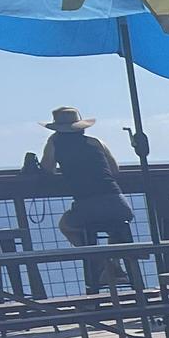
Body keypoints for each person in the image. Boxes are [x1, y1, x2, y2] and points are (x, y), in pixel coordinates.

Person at [37, 106, 136, 289]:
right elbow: (115, 170)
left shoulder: (55, 143)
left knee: (66, 225)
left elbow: (47, 169)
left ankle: (102, 264)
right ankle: (115, 266)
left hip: (87, 205)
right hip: (119, 204)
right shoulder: (95, 142)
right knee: (116, 228)